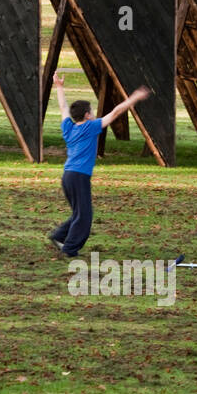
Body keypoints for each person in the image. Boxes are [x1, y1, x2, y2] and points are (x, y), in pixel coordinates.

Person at [50, 72, 150, 258]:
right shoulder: (91, 126)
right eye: (92, 111)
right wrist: (134, 98)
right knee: (84, 216)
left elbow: (63, 107)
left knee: (79, 213)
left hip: (68, 176)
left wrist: (60, 87)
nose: (94, 113)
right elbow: (116, 112)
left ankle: (59, 236)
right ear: (87, 115)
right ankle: (69, 248)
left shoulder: (68, 127)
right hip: (79, 176)